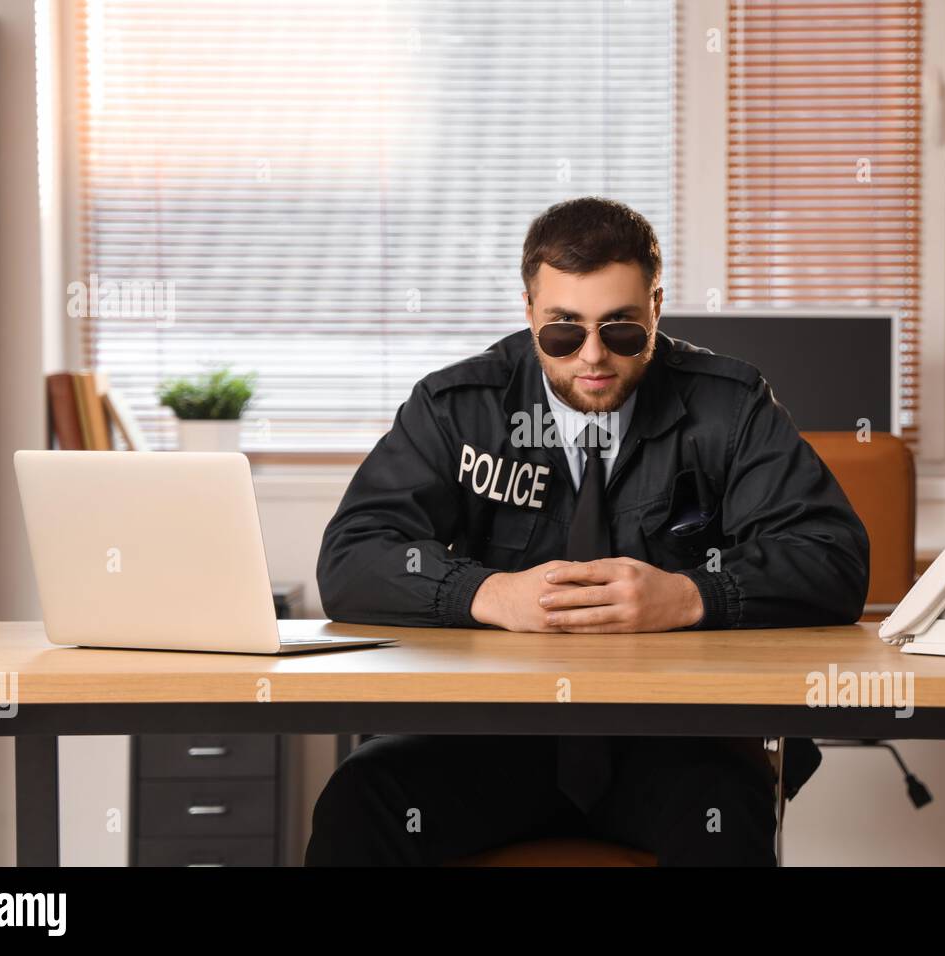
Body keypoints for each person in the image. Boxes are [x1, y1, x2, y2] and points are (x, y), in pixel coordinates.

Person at [305, 196, 870, 866]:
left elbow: (831, 558)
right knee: (358, 798)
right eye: (564, 332)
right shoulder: (460, 407)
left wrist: (691, 597)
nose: (594, 357)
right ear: (528, 314)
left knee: (730, 813)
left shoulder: (731, 405)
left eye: (622, 329)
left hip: (673, 743)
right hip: (492, 737)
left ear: (656, 307)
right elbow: (352, 557)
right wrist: (488, 595)